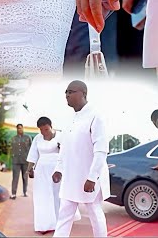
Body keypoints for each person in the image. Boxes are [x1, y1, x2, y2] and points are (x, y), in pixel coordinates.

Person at [53, 81, 109, 238]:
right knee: (64, 214)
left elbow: (101, 150)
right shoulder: (70, 118)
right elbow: (65, 147)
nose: (67, 95)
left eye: (71, 91)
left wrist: (92, 177)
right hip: (71, 177)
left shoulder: (96, 116)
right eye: (66, 92)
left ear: (83, 93)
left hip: (88, 177)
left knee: (94, 213)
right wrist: (58, 169)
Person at [28, 117, 62, 233]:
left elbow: (66, 154)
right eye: (41, 130)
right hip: (41, 170)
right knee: (41, 196)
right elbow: (33, 154)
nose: (43, 132)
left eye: (46, 129)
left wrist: (60, 170)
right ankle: (44, 225)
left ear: (51, 126)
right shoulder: (37, 138)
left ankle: (59, 222)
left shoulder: (60, 136)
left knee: (56, 196)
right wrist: (30, 169)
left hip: (56, 170)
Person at [11, 124, 32, 199]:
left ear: (23, 128)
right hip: (16, 161)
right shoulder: (14, 138)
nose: (19, 130)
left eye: (20, 128)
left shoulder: (27, 138)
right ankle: (13, 193)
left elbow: (31, 149)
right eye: (18, 128)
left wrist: (31, 160)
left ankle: (25, 191)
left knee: (25, 177)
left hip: (25, 160)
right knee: (15, 178)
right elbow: (11, 149)